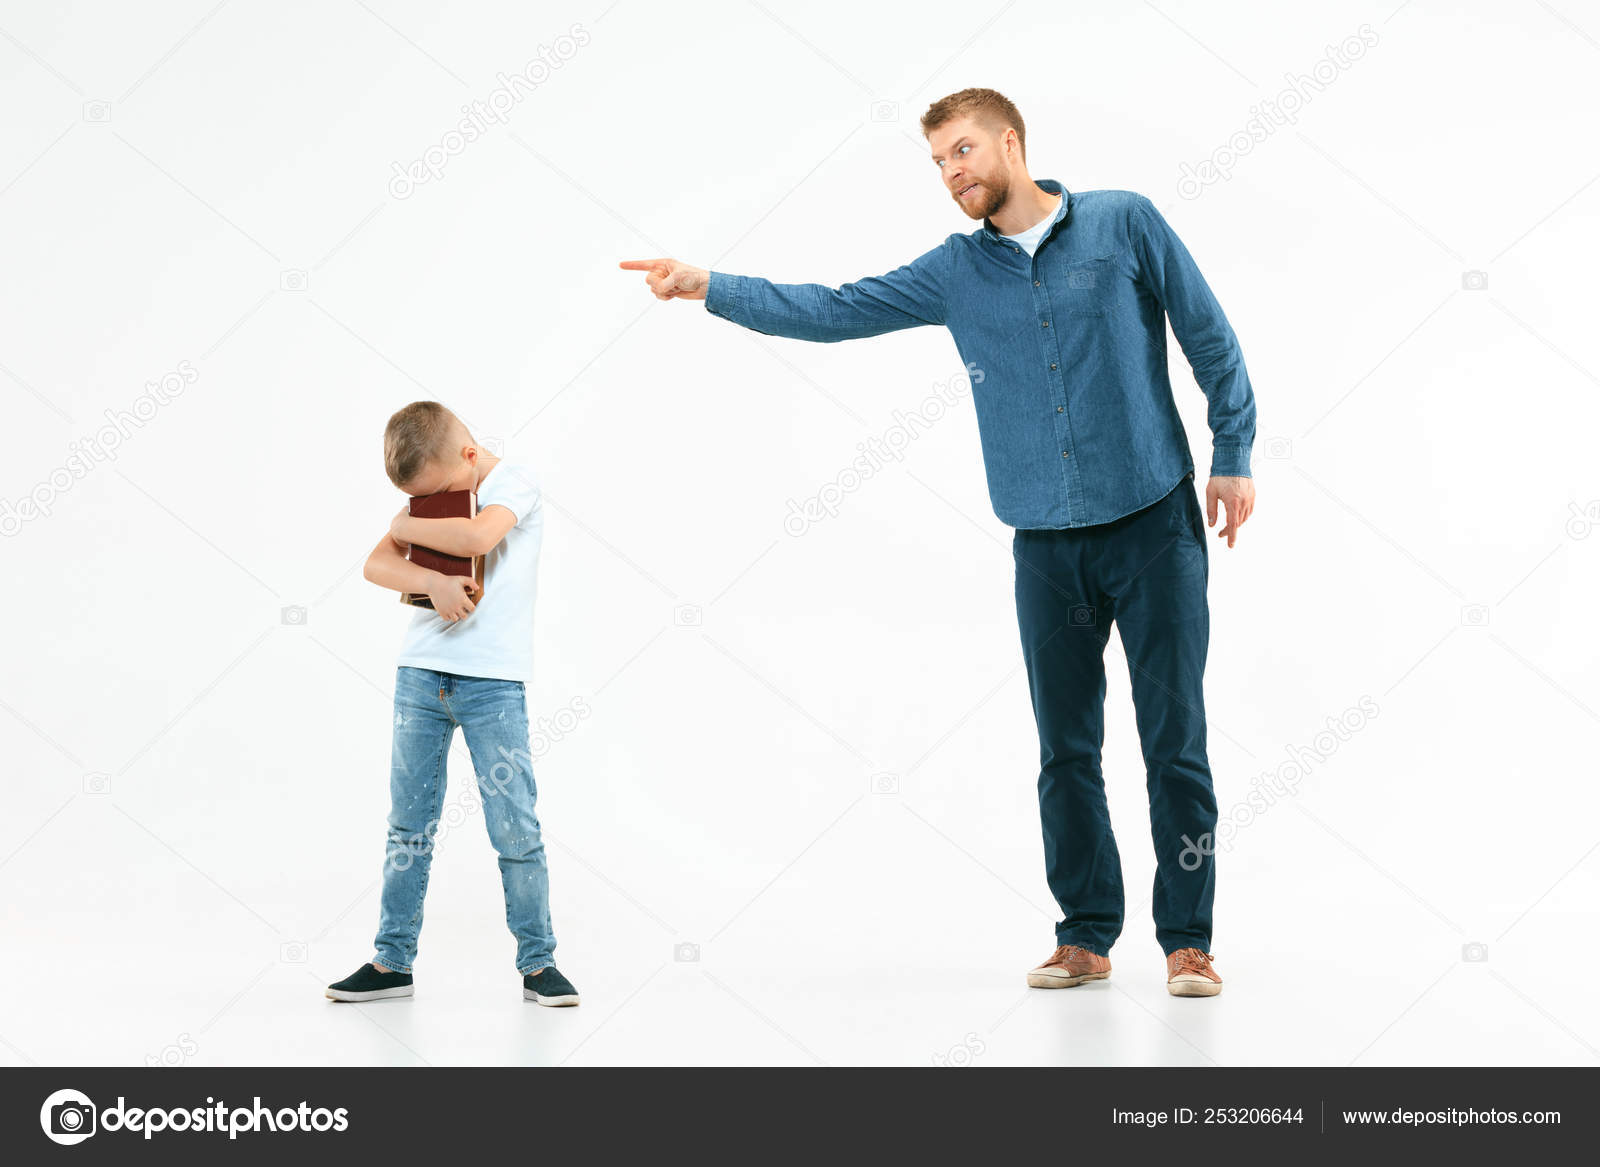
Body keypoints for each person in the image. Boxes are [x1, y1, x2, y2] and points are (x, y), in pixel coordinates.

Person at [620, 88, 1256, 998]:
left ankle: (1187, 942)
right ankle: (1084, 935)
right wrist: (707, 285)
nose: (951, 173)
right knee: (1065, 749)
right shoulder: (956, 271)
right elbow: (833, 309)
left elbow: (1211, 337)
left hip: (1154, 523)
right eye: (937, 163)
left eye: (961, 151)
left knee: (1174, 741)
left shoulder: (1125, 223)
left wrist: (1231, 451)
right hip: (1044, 543)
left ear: (1010, 140)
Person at [324, 401, 580, 1006]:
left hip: (492, 683)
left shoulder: (513, 482)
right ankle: (392, 962)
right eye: (418, 502)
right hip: (420, 676)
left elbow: (476, 535)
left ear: (468, 456)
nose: (428, 507)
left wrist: (406, 524)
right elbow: (374, 564)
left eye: (437, 494)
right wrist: (433, 581)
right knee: (407, 826)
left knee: (515, 826)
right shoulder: (435, 491)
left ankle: (538, 963)